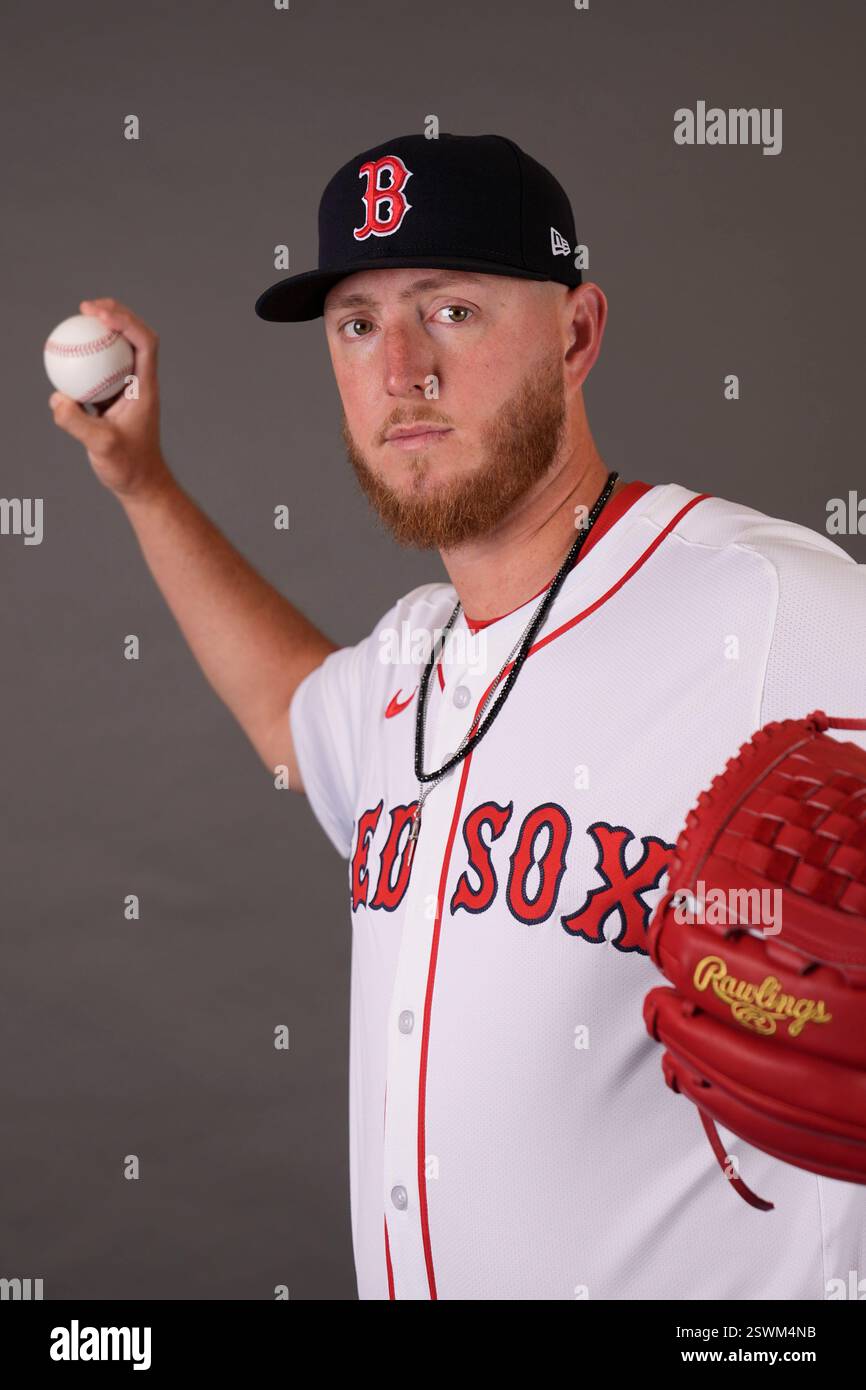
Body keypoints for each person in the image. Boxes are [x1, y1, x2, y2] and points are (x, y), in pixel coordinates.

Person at [49, 132, 866, 1300]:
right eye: (357, 322)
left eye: (453, 311)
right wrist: (144, 484)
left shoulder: (768, 605)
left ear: (575, 334)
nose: (401, 372)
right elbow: (294, 716)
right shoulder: (412, 654)